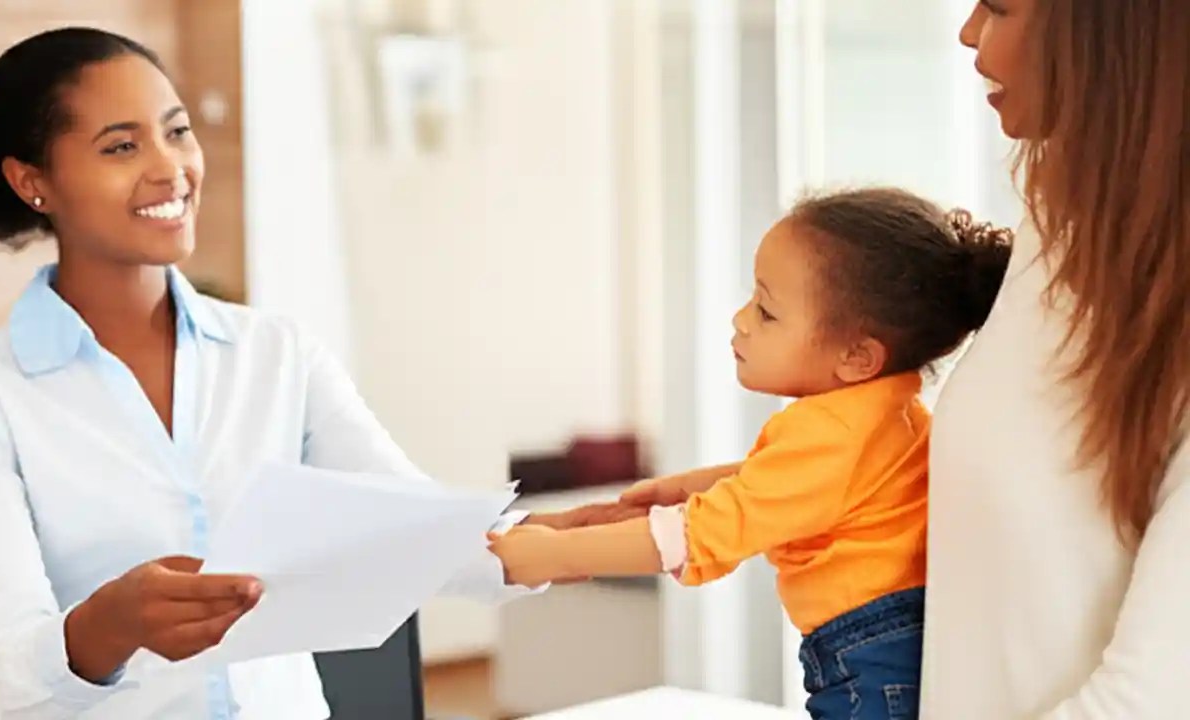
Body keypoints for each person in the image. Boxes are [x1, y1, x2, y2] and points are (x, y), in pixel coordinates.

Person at [0, 27, 608, 720]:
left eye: (177, 132)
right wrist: (113, 623)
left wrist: (590, 535)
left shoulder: (278, 354)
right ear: (33, 181)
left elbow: (417, 529)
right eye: (121, 147)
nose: (170, 168)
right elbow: (7, 674)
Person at [490, 187, 1013, 720]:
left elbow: (699, 537)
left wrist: (556, 555)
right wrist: (695, 486)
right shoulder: (889, 416)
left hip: (870, 662)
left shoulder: (830, 432)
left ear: (858, 357)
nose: (740, 319)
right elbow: (813, 490)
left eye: (766, 311)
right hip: (891, 648)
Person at [915, 1, 1190, 717]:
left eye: (999, 6)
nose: (968, 31)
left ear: (1115, 31)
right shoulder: (1059, 236)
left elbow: (1148, 703)